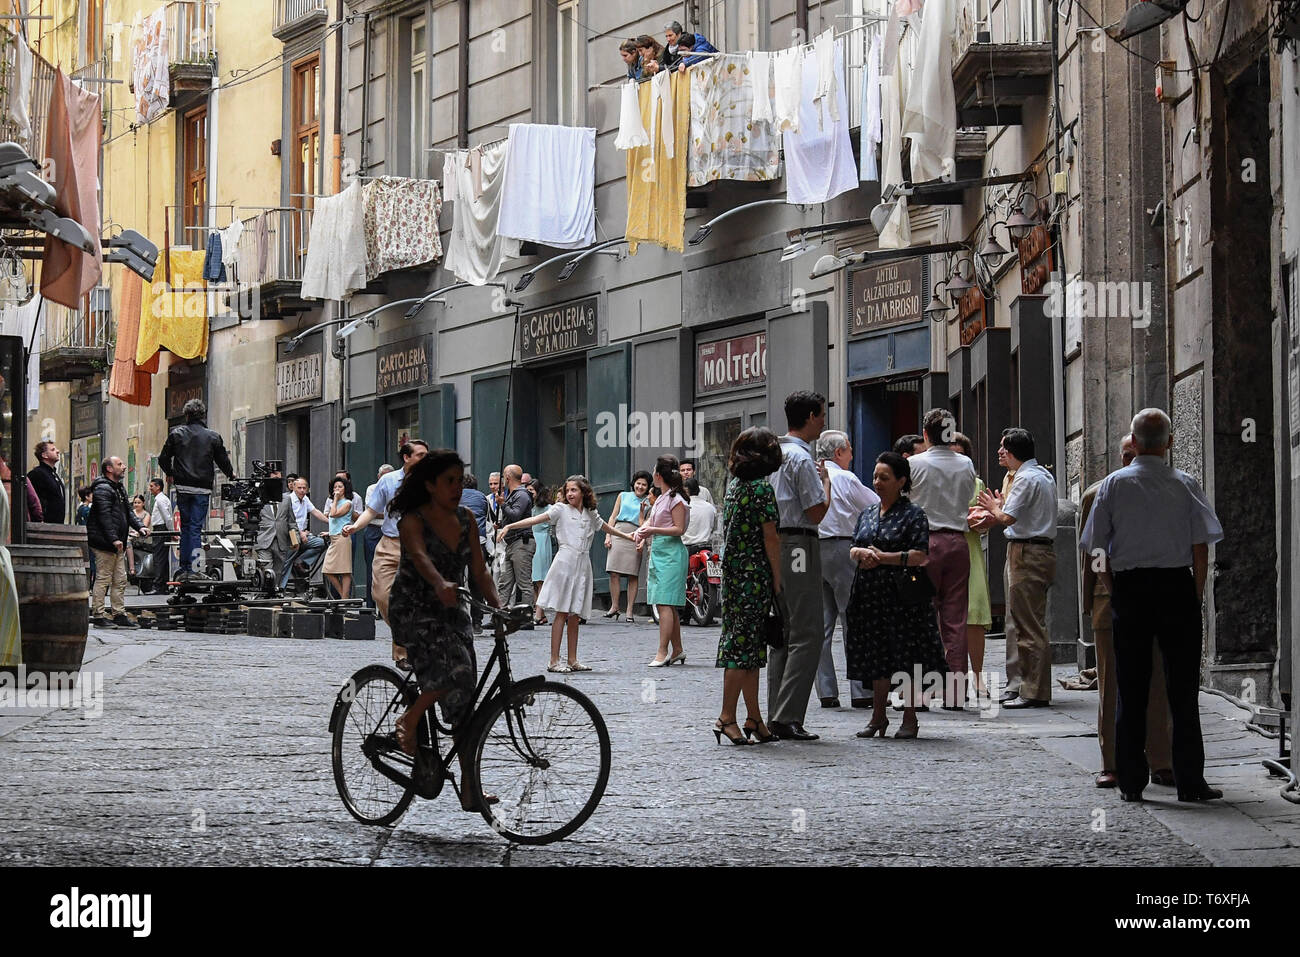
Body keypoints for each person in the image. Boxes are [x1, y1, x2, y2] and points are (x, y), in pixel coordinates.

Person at [1080, 409, 1222, 802]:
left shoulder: (1111, 487)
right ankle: (1190, 780)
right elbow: (1200, 546)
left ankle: (1131, 781)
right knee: (1182, 691)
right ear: (1170, 443)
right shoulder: (1186, 484)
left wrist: (1114, 586)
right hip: (1175, 588)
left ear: (1135, 443)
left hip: (1131, 589)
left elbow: (1096, 548)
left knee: (1131, 686)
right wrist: (1193, 592)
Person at [385, 450, 503, 813]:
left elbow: (480, 573)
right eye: (449, 481)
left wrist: (500, 610)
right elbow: (420, 557)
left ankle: (470, 791)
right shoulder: (412, 520)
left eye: (459, 480)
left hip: (453, 612)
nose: (456, 487)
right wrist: (438, 583)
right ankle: (409, 717)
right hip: (414, 609)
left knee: (466, 706)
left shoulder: (467, 519)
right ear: (431, 485)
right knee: (459, 674)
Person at [1080, 433, 1174, 789]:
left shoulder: (1167, 488)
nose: (1130, 461)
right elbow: (1092, 553)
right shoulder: (1098, 493)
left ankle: (1161, 759)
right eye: (1125, 455)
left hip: (1153, 597)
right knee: (1112, 684)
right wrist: (1095, 598)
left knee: (1157, 682)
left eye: (1136, 454)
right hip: (1112, 600)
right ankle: (1113, 762)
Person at [847, 452, 948, 739]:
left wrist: (884, 558)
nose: (877, 482)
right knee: (877, 656)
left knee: (906, 656)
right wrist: (861, 553)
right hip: (870, 595)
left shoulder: (913, 514)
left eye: (884, 478)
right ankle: (878, 717)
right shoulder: (867, 513)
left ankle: (910, 717)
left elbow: (919, 555)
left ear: (901, 481)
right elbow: (854, 545)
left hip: (903, 598)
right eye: (876, 476)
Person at [500, 476, 635, 673]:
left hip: (582, 565)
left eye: (574, 490)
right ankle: (553, 660)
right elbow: (537, 519)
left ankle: (572, 659)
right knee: (561, 613)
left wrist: (627, 536)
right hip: (565, 562)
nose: (570, 493)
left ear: (583, 492)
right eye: (568, 490)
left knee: (575, 614)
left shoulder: (590, 513)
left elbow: (605, 526)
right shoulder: (560, 509)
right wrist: (510, 526)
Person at [766, 391, 832, 741]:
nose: (824, 420)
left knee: (783, 632)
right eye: (821, 414)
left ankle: (777, 710)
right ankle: (787, 715)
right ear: (808, 416)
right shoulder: (802, 460)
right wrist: (826, 484)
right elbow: (816, 512)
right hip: (798, 543)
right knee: (807, 631)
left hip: (776, 541)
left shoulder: (774, 455)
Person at [977, 428, 1058, 709]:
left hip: (1027, 551)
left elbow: (1008, 518)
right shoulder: (1041, 475)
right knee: (1027, 621)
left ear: (1011, 452)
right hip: (1035, 549)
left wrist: (993, 506)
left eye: (1002, 448)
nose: (999, 452)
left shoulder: (1025, 478)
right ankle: (1027, 685)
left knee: (1028, 625)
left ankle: (1034, 691)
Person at [714, 427, 785, 746]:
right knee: (741, 649)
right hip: (752, 576)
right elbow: (771, 537)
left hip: (735, 574)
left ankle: (754, 718)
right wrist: (778, 578)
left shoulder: (735, 486)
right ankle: (726, 716)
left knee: (749, 649)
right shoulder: (761, 489)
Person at [908, 409, 976, 709]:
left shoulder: (914, 464)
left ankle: (920, 693)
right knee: (955, 620)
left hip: (925, 543)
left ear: (925, 434)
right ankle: (956, 693)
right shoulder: (966, 464)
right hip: (958, 543)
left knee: (920, 620)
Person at [344, 440, 429, 666]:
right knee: (381, 595)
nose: (425, 459)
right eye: (420, 455)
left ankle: (403, 654)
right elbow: (371, 511)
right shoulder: (388, 481)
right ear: (406, 457)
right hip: (390, 544)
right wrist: (355, 527)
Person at [814, 429, 879, 710]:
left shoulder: (811, 476)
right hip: (843, 548)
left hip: (812, 549)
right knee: (853, 619)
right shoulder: (846, 478)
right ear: (838, 452)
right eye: (849, 449)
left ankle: (826, 690)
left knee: (822, 624)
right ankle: (861, 690)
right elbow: (875, 506)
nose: (852, 454)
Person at [158, 398, 235, 581]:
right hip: (202, 487)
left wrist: (170, 473)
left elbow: (163, 458)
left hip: (183, 487)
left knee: (185, 528)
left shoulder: (177, 434)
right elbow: (222, 460)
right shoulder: (213, 436)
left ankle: (185, 567)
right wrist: (231, 475)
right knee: (195, 527)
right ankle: (194, 568)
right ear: (203, 415)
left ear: (186, 415)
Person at [635, 455, 690, 667]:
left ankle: (662, 651)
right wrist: (642, 532)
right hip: (660, 551)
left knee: (666, 603)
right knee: (665, 603)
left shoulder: (676, 499)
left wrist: (651, 530)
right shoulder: (661, 497)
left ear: (659, 475)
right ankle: (677, 650)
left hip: (671, 553)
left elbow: (679, 529)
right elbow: (651, 521)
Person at [951, 433, 994, 700]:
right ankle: (952, 676)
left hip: (970, 551)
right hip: (950, 545)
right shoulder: (938, 482)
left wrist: (984, 518)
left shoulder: (976, 483)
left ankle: (977, 675)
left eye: (960, 454)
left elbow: (983, 517)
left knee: (975, 613)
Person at [88, 456, 145, 628]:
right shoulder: (103, 489)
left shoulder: (118, 487)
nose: (124, 466)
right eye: (119, 464)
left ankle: (118, 613)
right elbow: (104, 517)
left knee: (120, 579)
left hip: (116, 543)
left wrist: (140, 526)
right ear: (109, 469)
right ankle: (98, 615)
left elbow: (128, 512)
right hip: (104, 542)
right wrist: (113, 539)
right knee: (104, 578)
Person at [603, 470, 651, 622]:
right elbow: (612, 516)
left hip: (636, 534)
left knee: (632, 574)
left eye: (644, 484)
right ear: (634, 483)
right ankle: (615, 606)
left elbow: (648, 523)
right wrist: (608, 535)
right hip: (619, 531)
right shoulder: (623, 496)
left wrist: (642, 541)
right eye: (638, 483)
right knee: (614, 572)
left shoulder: (650, 502)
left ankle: (630, 610)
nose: (640, 487)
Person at [493, 465, 536, 624]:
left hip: (521, 542)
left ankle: (527, 619)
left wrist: (503, 504)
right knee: (505, 582)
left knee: (524, 582)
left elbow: (516, 516)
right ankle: (500, 616)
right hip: (511, 543)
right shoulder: (513, 495)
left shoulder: (522, 495)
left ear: (508, 478)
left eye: (504, 477)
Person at [277, 477, 330, 590]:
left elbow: (315, 512)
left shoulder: (305, 499)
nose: (301, 490)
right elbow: (288, 521)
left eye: (304, 488)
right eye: (299, 488)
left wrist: (331, 522)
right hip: (291, 535)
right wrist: (300, 533)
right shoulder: (288, 499)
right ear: (293, 488)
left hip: (303, 535)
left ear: (307, 489)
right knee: (287, 560)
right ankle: (281, 586)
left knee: (321, 542)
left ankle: (300, 561)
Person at [363, 464, 394, 610]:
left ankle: (387, 607)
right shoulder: (372, 488)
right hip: (374, 529)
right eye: (384, 475)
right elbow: (372, 510)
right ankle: (370, 605)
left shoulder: (396, 488)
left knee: (391, 569)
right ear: (379, 476)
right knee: (372, 567)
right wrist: (389, 512)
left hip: (390, 531)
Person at [527, 479, 554, 626]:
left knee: (541, 579)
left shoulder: (548, 508)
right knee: (534, 579)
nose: (529, 494)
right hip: (532, 540)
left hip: (542, 541)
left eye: (531, 491)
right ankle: (540, 613)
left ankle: (538, 613)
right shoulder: (530, 506)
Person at [323, 477, 355, 599]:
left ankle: (344, 598)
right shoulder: (333, 503)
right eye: (335, 487)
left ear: (345, 489)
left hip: (342, 537)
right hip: (334, 537)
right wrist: (329, 532)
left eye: (340, 487)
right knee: (327, 569)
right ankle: (343, 596)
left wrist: (335, 499)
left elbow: (334, 514)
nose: (337, 489)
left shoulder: (347, 503)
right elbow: (333, 521)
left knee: (345, 569)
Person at [27, 440, 66, 523]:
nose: (58, 451)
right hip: (45, 525)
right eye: (53, 450)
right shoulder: (37, 474)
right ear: (44, 455)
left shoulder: (53, 474)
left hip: (56, 525)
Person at [147, 478, 174, 594]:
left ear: (158, 487)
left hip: (161, 529)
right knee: (162, 558)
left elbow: (167, 517)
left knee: (159, 558)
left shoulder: (160, 500)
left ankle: (158, 587)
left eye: (152, 486)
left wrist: (172, 532)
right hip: (162, 529)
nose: (150, 488)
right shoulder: (160, 499)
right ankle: (164, 586)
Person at [75, 486, 95, 585]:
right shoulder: (86, 510)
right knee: (91, 561)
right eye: (92, 494)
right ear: (87, 496)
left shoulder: (80, 508)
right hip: (89, 538)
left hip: (83, 538)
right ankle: (90, 584)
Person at [129, 494, 151, 581]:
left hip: (139, 537)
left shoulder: (146, 514)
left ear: (143, 504)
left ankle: (132, 568)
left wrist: (136, 532)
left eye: (139, 502)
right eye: (135, 502)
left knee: (127, 542)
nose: (136, 504)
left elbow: (144, 528)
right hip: (129, 535)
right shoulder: (131, 513)